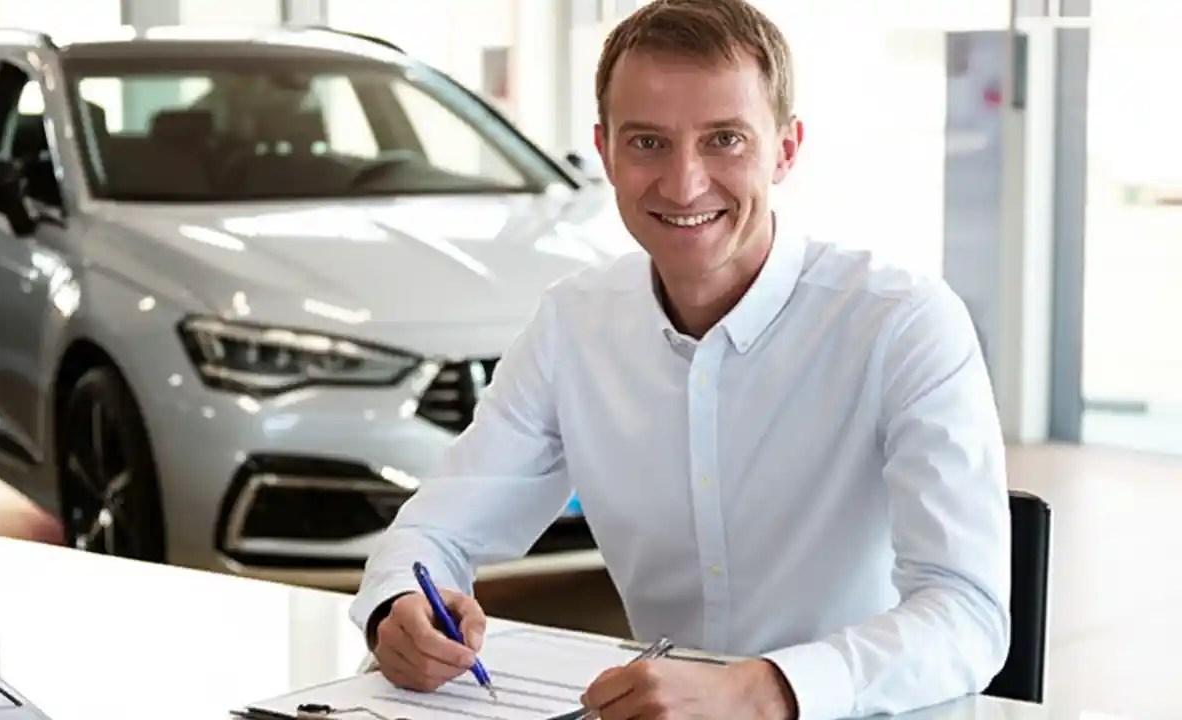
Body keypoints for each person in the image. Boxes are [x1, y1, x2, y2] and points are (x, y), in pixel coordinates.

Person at [347, 0, 1011, 717]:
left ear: (785, 149)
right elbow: (434, 532)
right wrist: (399, 607)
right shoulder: (575, 323)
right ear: (605, 151)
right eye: (648, 143)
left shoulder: (902, 322)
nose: (685, 183)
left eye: (724, 139)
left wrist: (765, 689)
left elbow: (967, 615)